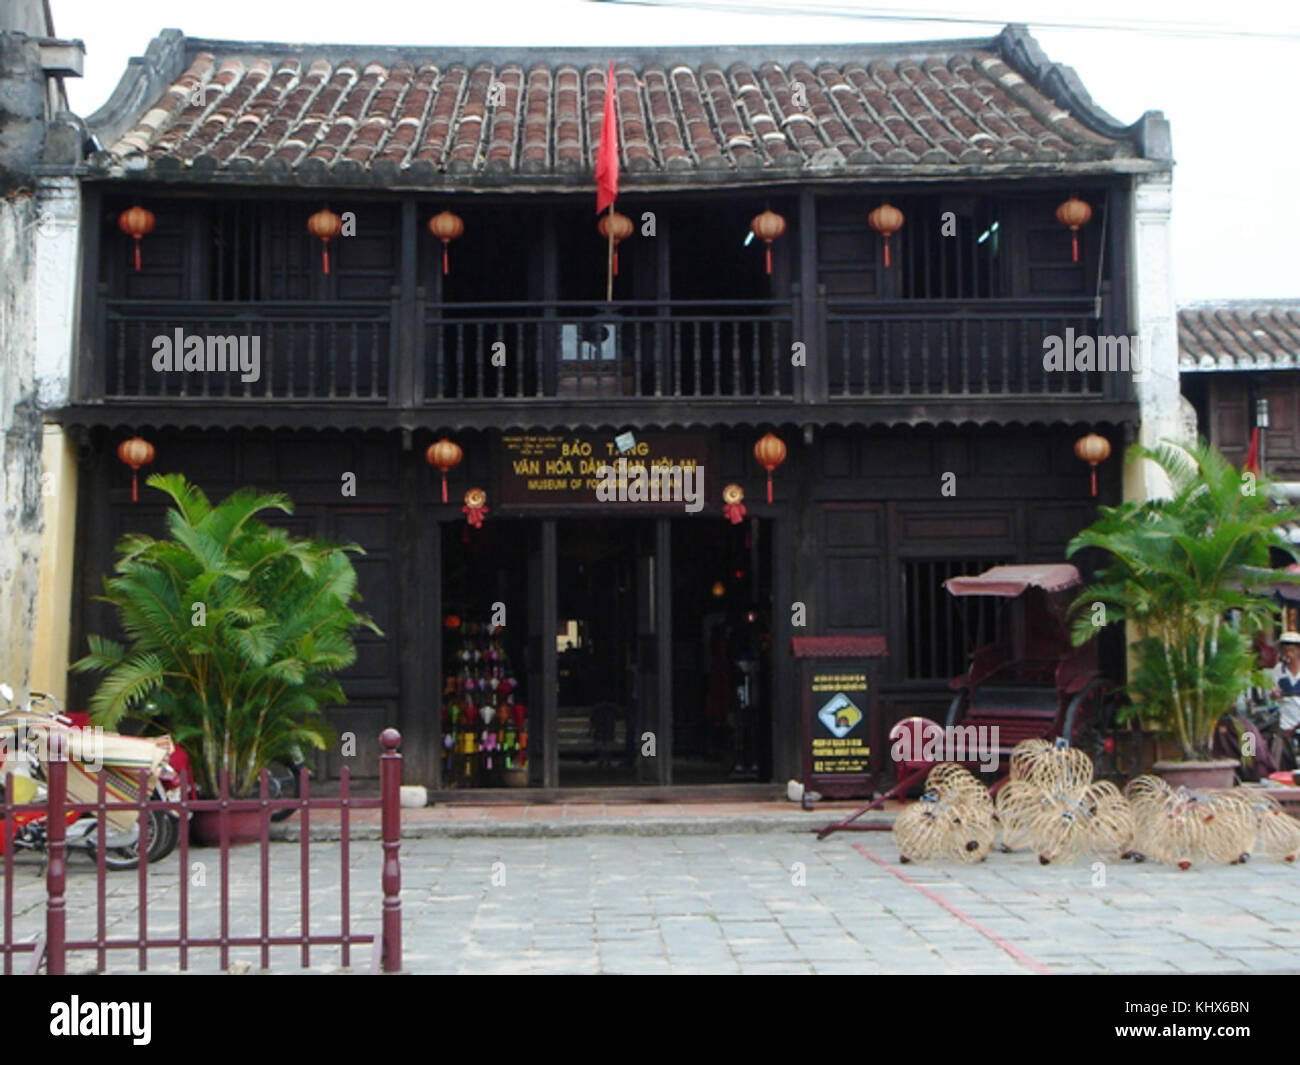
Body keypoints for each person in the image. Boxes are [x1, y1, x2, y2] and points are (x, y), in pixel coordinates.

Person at [1269, 631, 1300, 752]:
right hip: (1285, 725)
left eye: (1291, 650)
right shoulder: (1278, 671)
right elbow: (1271, 695)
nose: (1288, 654)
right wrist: (1274, 695)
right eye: (1285, 650)